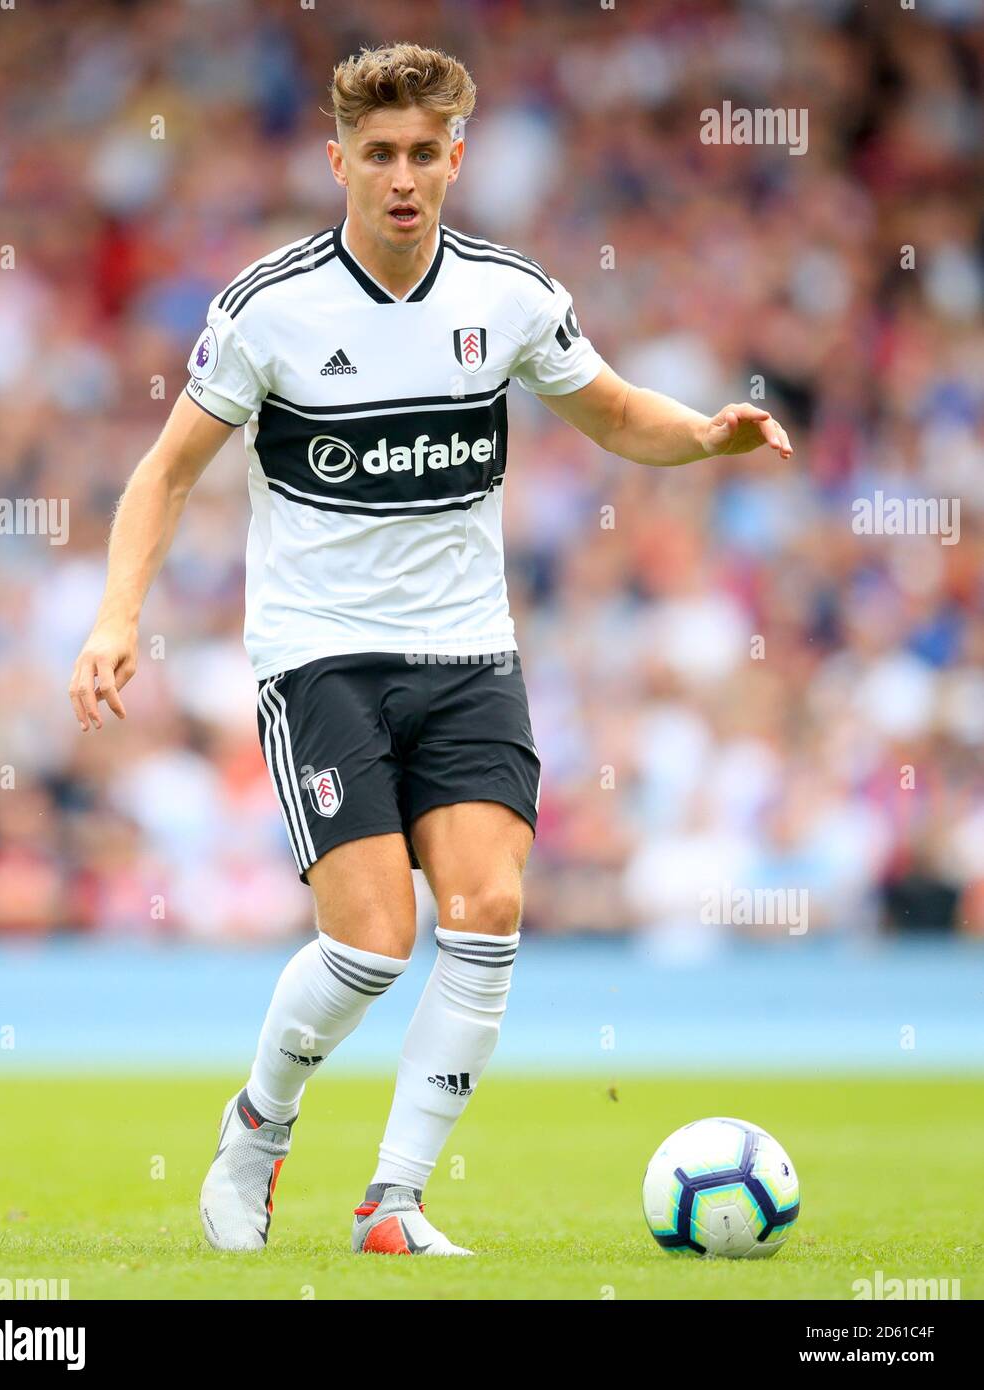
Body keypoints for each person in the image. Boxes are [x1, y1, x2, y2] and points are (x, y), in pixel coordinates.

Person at [68, 41, 792, 1257]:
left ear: (457, 158)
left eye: (424, 154)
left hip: (468, 653)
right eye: (380, 153)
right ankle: (256, 1128)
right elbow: (166, 472)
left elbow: (612, 408)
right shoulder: (271, 309)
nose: (403, 177)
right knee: (368, 941)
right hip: (321, 657)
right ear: (338, 158)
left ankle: (394, 1203)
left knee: (490, 910)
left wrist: (705, 436)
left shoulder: (507, 294)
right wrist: (114, 616)